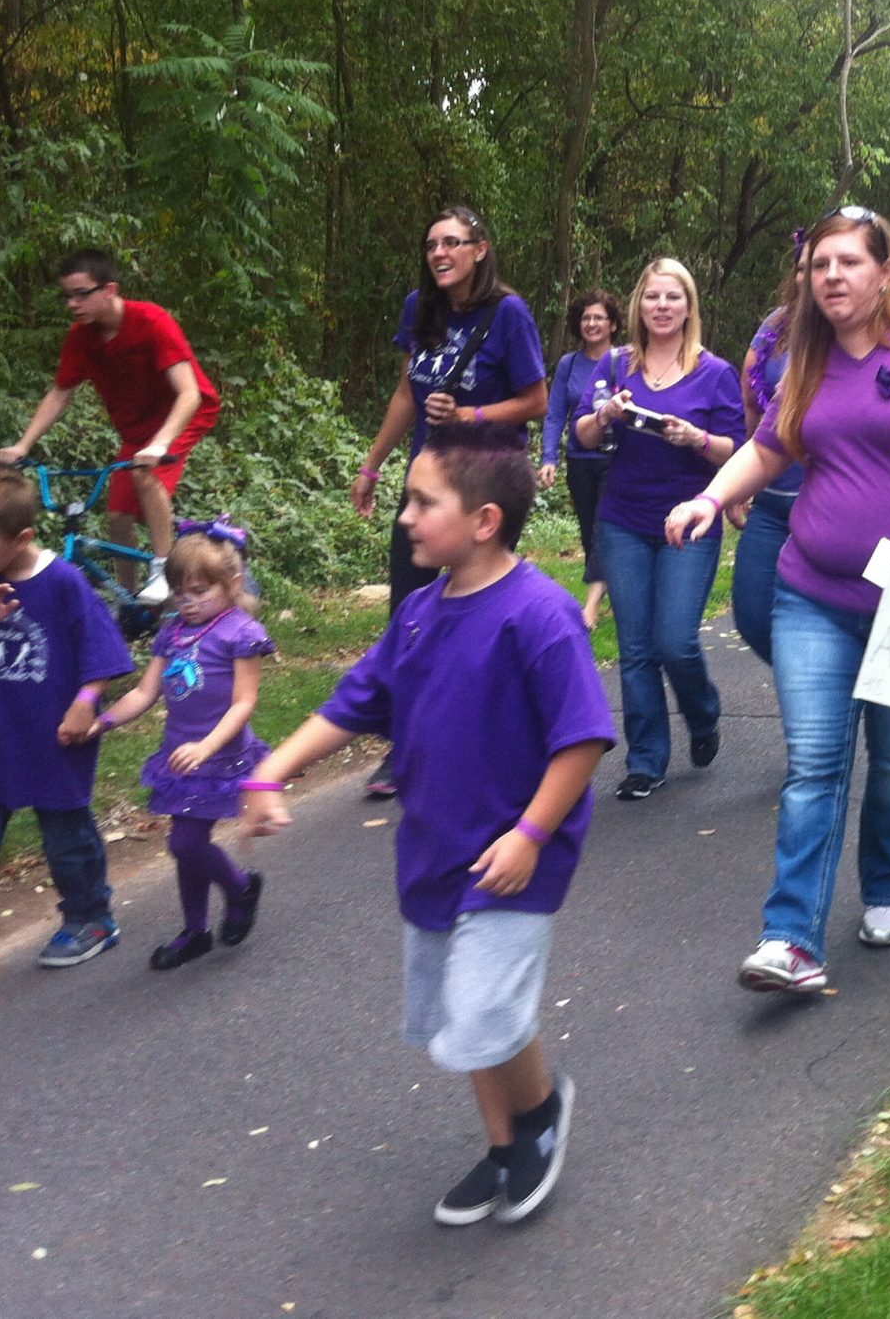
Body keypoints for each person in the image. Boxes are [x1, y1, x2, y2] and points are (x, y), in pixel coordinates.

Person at [241, 423, 613, 1227]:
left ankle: (542, 1111)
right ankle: (505, 1144)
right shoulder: (416, 614)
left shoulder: (540, 614)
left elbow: (582, 738)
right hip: (435, 851)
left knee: (482, 1011)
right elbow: (352, 703)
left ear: (483, 521)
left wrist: (531, 835)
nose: (404, 516)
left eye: (422, 502)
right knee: (458, 1010)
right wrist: (272, 770)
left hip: (515, 855)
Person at [665, 206, 890, 995]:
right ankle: (791, 940)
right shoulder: (807, 359)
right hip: (811, 593)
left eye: (849, 262)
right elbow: (768, 449)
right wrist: (710, 499)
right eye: (821, 264)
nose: (832, 277)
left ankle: (887, 887)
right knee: (815, 765)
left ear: (885, 271)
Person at [351, 206, 548, 798]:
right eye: (432, 244)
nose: (440, 253)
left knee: (480, 609)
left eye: (453, 243)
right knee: (409, 610)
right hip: (429, 480)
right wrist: (372, 464)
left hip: (489, 484)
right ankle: (405, 743)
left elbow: (536, 400)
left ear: (479, 249)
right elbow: (405, 394)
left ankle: (497, 729)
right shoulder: (421, 307)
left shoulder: (508, 313)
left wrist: (471, 414)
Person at [0, 469, 135, 1001]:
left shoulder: (64, 582)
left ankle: (91, 917)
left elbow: (102, 652)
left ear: (20, 539)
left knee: (66, 836)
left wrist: (86, 703)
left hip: (56, 735)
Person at [575, 258, 743, 801]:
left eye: (673, 297)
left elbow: (738, 451)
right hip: (623, 519)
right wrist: (607, 415)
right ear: (638, 306)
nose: (662, 306)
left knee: (675, 640)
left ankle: (703, 712)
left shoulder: (715, 372)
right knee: (636, 646)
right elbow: (582, 434)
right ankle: (645, 760)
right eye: (653, 297)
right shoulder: (616, 365)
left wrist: (696, 439)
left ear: (689, 306)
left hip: (689, 519)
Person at [89, 524, 272, 970]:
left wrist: (207, 746)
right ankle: (195, 931)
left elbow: (244, 702)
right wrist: (103, 721)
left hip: (220, 756)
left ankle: (239, 888)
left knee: (185, 843)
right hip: (180, 757)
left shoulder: (240, 633)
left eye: (199, 591)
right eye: (179, 592)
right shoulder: (172, 633)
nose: (186, 601)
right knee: (188, 844)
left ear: (231, 585)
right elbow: (144, 692)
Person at [0, 249, 221, 605]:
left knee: (143, 477)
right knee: (118, 515)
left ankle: (163, 569)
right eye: (68, 296)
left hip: (183, 415)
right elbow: (60, 393)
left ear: (110, 290)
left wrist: (161, 444)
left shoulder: (151, 321)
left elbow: (189, 393)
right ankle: (128, 599)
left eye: (81, 294)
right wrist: (23, 444)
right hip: (137, 431)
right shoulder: (81, 338)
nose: (73, 304)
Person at [734, 260, 808, 664]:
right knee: (752, 614)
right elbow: (751, 401)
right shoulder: (775, 325)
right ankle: (809, 680)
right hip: (773, 502)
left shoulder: (865, 333)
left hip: (835, 506)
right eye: (804, 266)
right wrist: (738, 485)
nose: (815, 274)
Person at [540, 290, 625, 629]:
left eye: (598, 318)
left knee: (604, 525)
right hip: (579, 457)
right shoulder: (569, 364)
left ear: (613, 325)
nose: (591, 324)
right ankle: (617, 593)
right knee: (590, 532)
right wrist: (549, 457)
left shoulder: (624, 360)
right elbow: (555, 413)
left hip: (616, 458)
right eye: (586, 318)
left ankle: (590, 607)